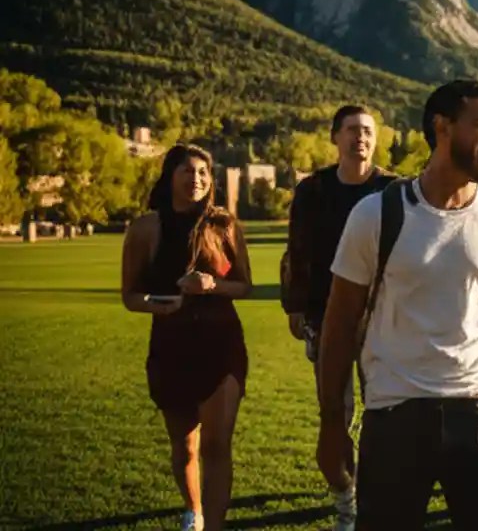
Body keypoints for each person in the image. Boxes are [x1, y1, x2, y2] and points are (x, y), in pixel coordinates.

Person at [317, 80, 478, 529]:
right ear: (442, 127)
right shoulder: (376, 215)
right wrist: (332, 423)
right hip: (396, 414)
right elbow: (339, 323)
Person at [120, 143, 253, 531]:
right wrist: (162, 303)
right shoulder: (145, 229)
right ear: (170, 177)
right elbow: (130, 295)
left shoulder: (224, 225)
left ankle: (213, 526)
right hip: (171, 345)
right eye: (187, 171)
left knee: (217, 445)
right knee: (185, 447)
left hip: (221, 343)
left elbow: (244, 286)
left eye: (202, 173)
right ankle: (192, 510)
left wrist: (211, 285)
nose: (196, 179)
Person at [281, 105, 395, 529]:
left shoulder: (392, 189)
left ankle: (374, 497)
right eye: (351, 130)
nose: (360, 138)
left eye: (367, 131)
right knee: (335, 411)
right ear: (335, 137)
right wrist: (295, 306)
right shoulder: (313, 190)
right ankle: (345, 503)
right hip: (326, 316)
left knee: (383, 412)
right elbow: (298, 250)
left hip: (381, 318)